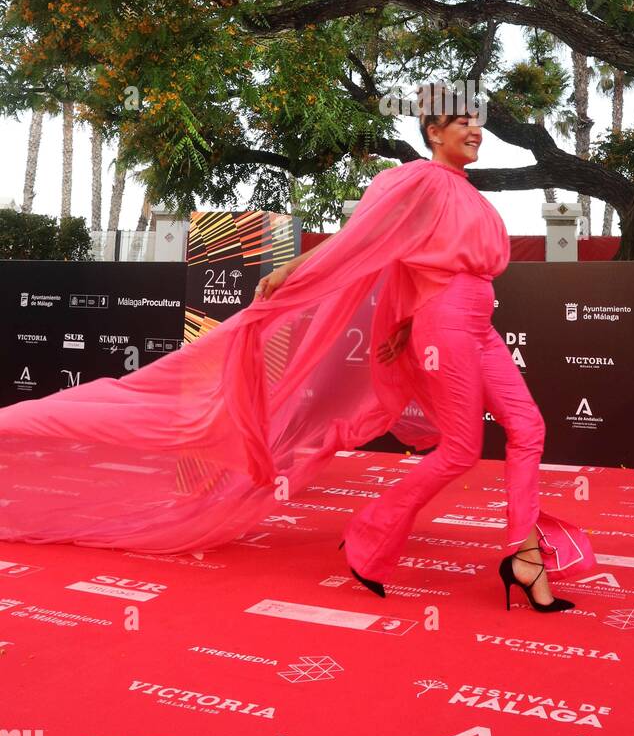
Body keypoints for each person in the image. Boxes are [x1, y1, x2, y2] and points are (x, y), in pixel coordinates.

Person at [0, 83, 594, 610]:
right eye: (461, 122)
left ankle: (524, 555)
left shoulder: (473, 196)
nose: (475, 130)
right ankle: (375, 529)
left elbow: (417, 268)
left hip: (476, 325)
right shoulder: (414, 180)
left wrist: (407, 324)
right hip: (447, 327)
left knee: (529, 427)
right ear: (433, 132)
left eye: (478, 122)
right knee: (462, 448)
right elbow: (359, 241)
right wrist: (294, 270)